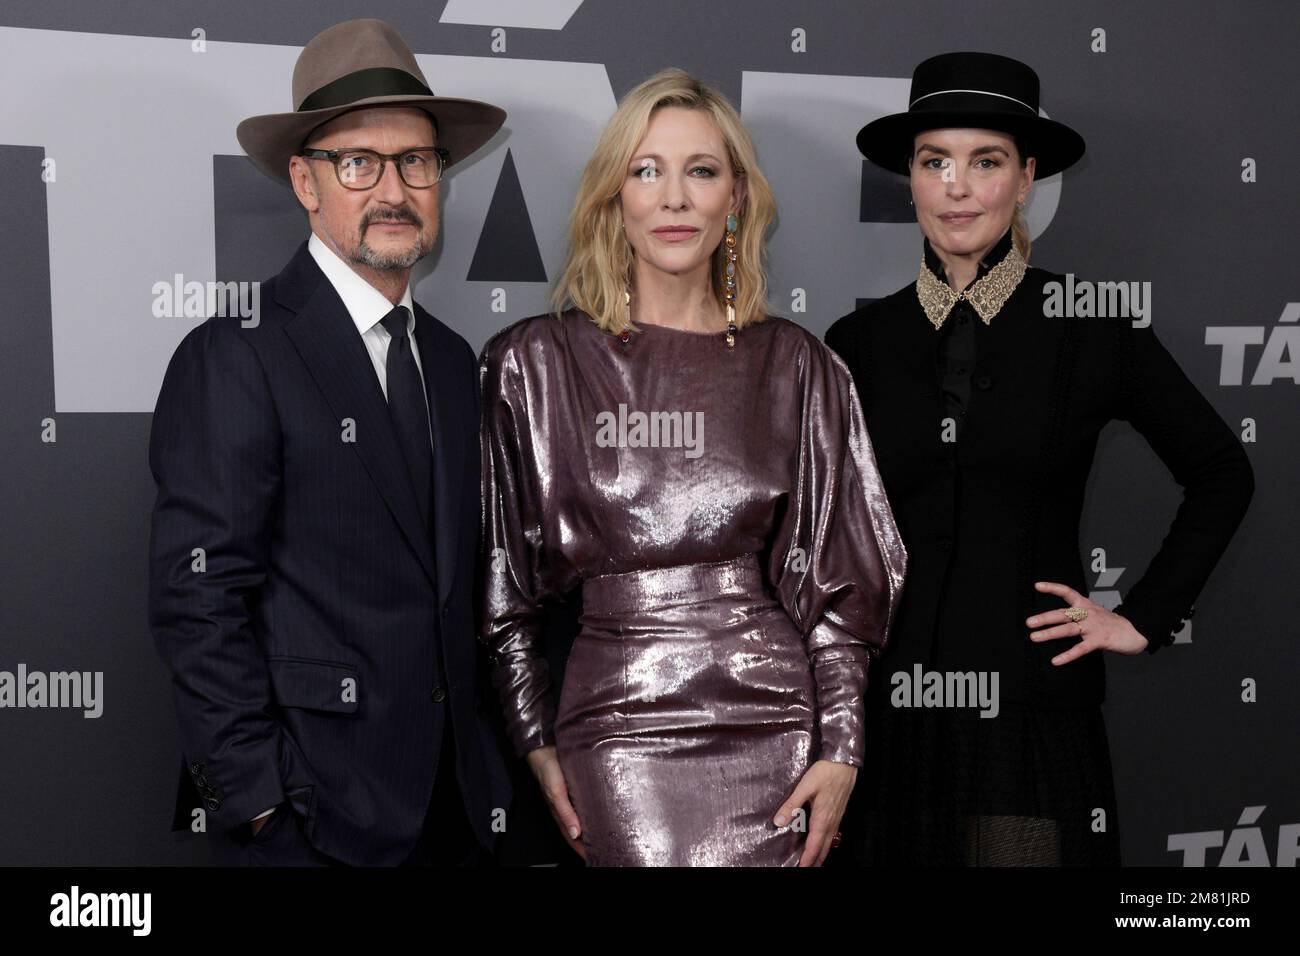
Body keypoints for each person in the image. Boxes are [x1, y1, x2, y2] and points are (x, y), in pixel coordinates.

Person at [825, 51, 1255, 865]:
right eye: (934, 162)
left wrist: (1141, 617)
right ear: (909, 180)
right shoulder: (857, 344)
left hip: (1027, 725)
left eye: (984, 162)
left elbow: (1222, 471)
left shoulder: (1092, 324)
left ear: (1025, 180)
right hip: (886, 727)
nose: (956, 187)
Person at [478, 68, 906, 867]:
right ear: (615, 196)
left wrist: (841, 746)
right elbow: (506, 589)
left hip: (778, 721)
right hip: (616, 729)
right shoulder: (534, 365)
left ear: (736, 196)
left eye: (700, 171)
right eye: (647, 170)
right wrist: (535, 739)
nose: (674, 199)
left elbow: (841, 579)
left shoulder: (799, 367)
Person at [148, 18, 511, 866]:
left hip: (455, 809)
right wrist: (262, 804)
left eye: (415, 162)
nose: (393, 189)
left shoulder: (456, 363)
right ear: (307, 183)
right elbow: (197, 599)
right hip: (312, 818)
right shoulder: (238, 352)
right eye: (359, 163)